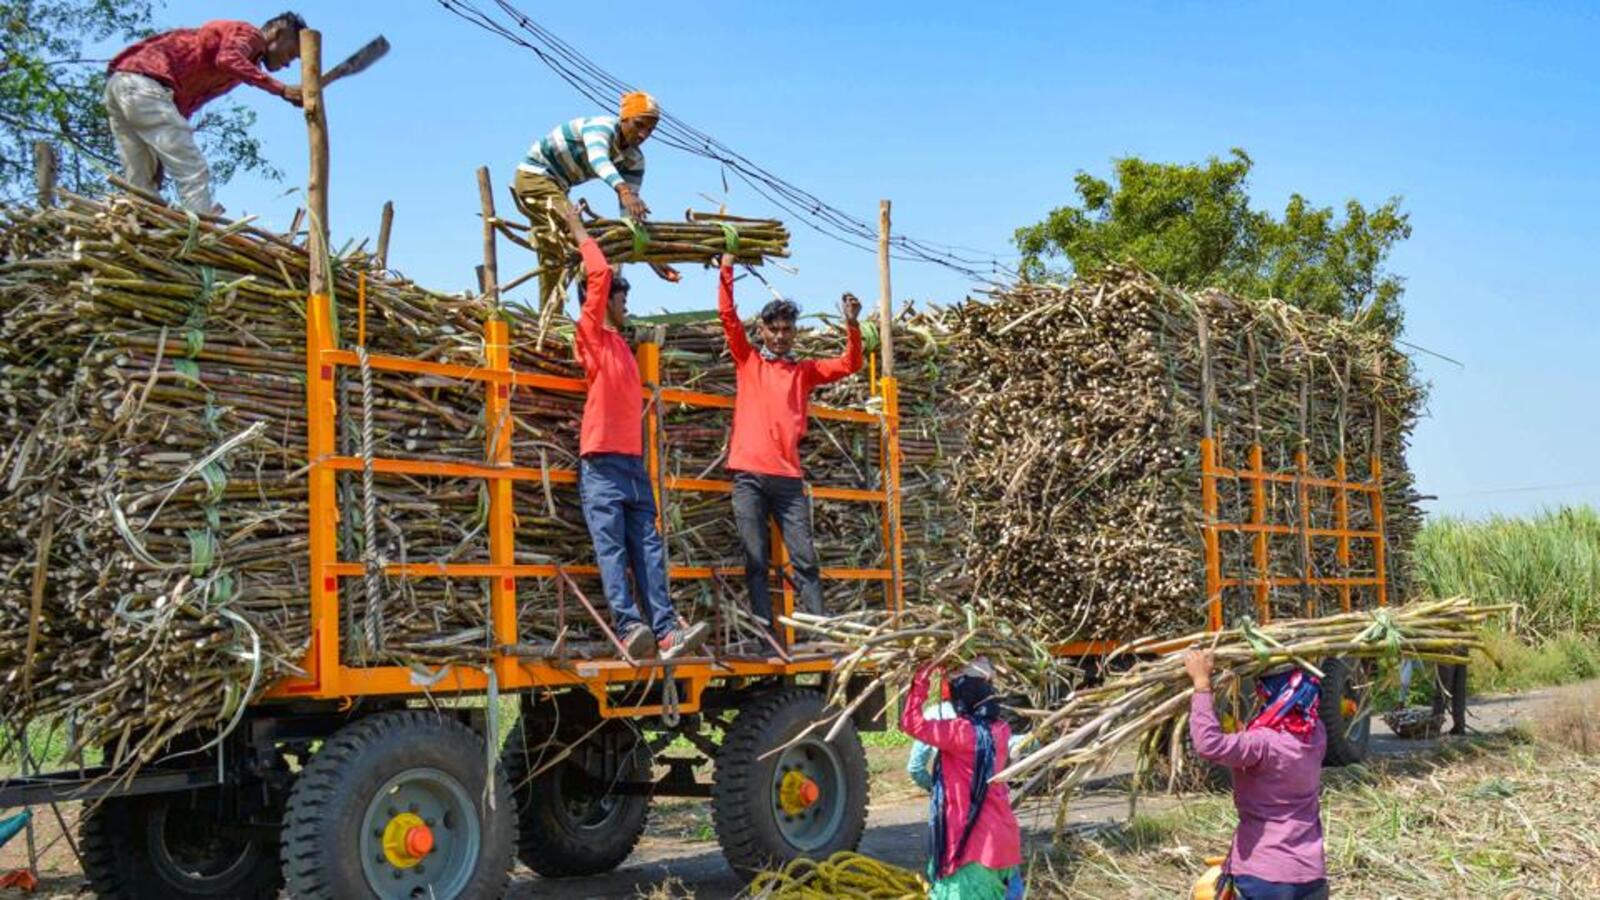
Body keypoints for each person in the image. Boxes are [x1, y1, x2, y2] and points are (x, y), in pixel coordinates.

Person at [563, 205, 708, 661]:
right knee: (611, 552)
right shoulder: (591, 335)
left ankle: (665, 632)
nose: (626, 303)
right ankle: (630, 629)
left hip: (632, 464)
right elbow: (600, 273)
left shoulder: (625, 345)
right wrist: (576, 227)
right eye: (619, 297)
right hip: (601, 463)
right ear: (601, 300)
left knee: (648, 550)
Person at [716, 252, 862, 646]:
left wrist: (852, 324)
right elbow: (728, 318)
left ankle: (816, 632)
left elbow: (850, 364)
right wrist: (726, 268)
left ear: (794, 332)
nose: (780, 335)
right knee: (756, 560)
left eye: (787, 328)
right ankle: (765, 634)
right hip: (748, 475)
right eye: (773, 328)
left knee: (805, 560)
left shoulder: (804, 371)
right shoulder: (748, 361)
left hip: (788, 478)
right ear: (762, 330)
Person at [104, 13, 306, 215]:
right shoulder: (250, 35)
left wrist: (161, 162)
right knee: (192, 168)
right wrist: (282, 90)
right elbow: (228, 58)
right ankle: (199, 229)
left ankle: (141, 225)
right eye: (291, 53)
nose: (288, 63)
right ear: (277, 33)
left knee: (142, 180)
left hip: (123, 84)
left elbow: (183, 106)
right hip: (142, 83)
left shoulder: (243, 67)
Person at [1184, 649, 1329, 900]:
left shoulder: (1261, 744)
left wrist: (1201, 684)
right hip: (1312, 877)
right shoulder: (1317, 735)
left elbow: (1208, 744)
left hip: (1265, 877)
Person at [511, 92, 678, 308]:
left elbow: (630, 217)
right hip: (535, 177)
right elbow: (599, 160)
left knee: (565, 250)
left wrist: (653, 260)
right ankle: (553, 315)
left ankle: (574, 312)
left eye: (650, 130)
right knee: (569, 236)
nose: (643, 134)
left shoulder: (634, 160)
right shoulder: (600, 128)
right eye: (639, 124)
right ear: (623, 119)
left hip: (559, 187)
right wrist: (624, 191)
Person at [901, 658, 1024, 900]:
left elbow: (911, 723)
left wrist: (922, 677)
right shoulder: (1000, 730)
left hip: (971, 849)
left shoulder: (959, 733)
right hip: (1004, 842)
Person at [907, 668, 1028, 792]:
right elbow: (1023, 743)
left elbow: (915, 768)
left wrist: (938, 790)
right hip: (996, 804)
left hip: (958, 804)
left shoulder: (944, 723)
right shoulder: (1000, 728)